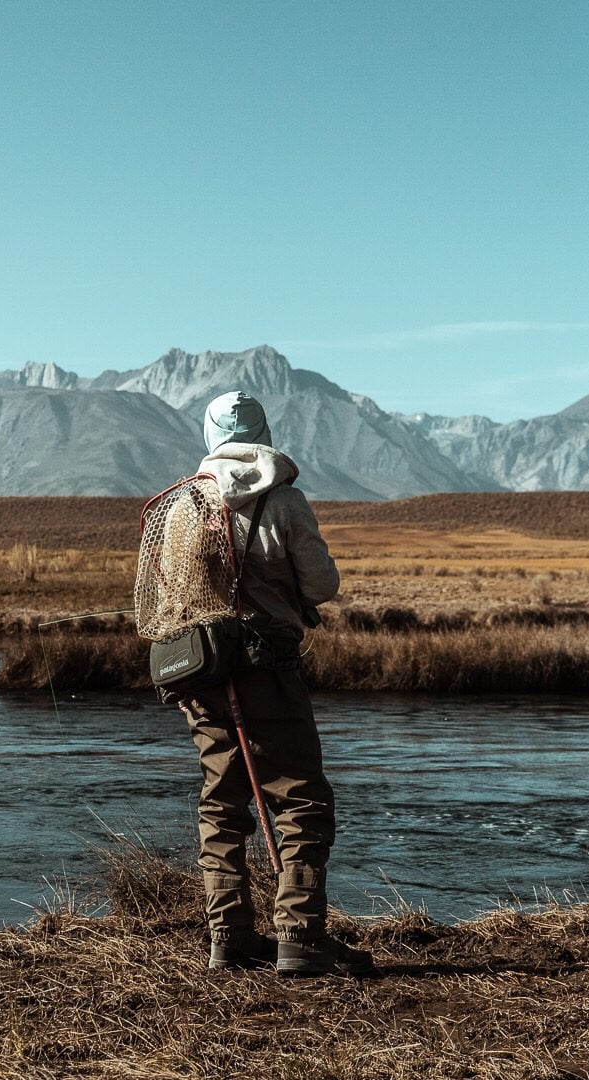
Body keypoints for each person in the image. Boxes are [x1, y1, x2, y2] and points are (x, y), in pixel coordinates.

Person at [169, 390, 373, 976]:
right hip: (270, 671)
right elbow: (322, 586)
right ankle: (300, 939)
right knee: (301, 799)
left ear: (209, 435)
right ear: (263, 432)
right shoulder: (286, 502)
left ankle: (228, 938)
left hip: (204, 674)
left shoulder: (183, 505)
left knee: (221, 803)